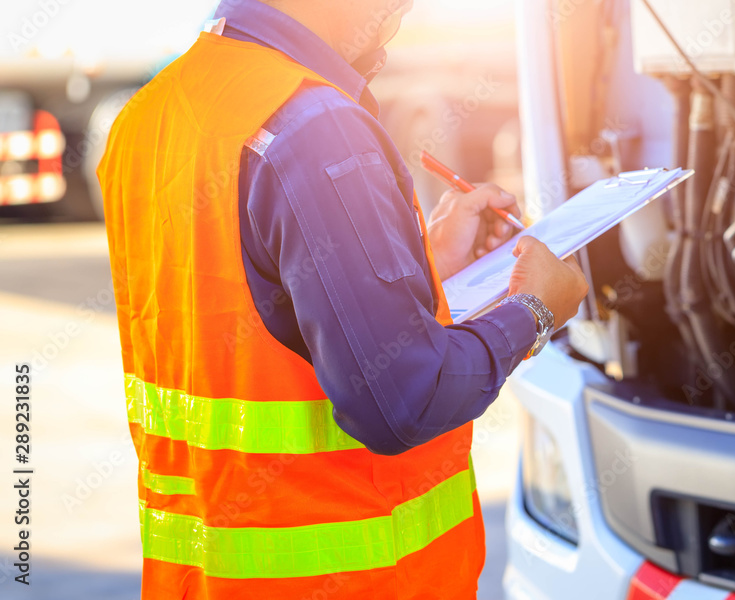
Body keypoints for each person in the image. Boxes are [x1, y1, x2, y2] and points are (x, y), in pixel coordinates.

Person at [96, 0, 589, 598]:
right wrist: (533, 312)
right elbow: (404, 397)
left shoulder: (149, 114)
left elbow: (242, 306)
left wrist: (424, 265)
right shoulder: (312, 127)